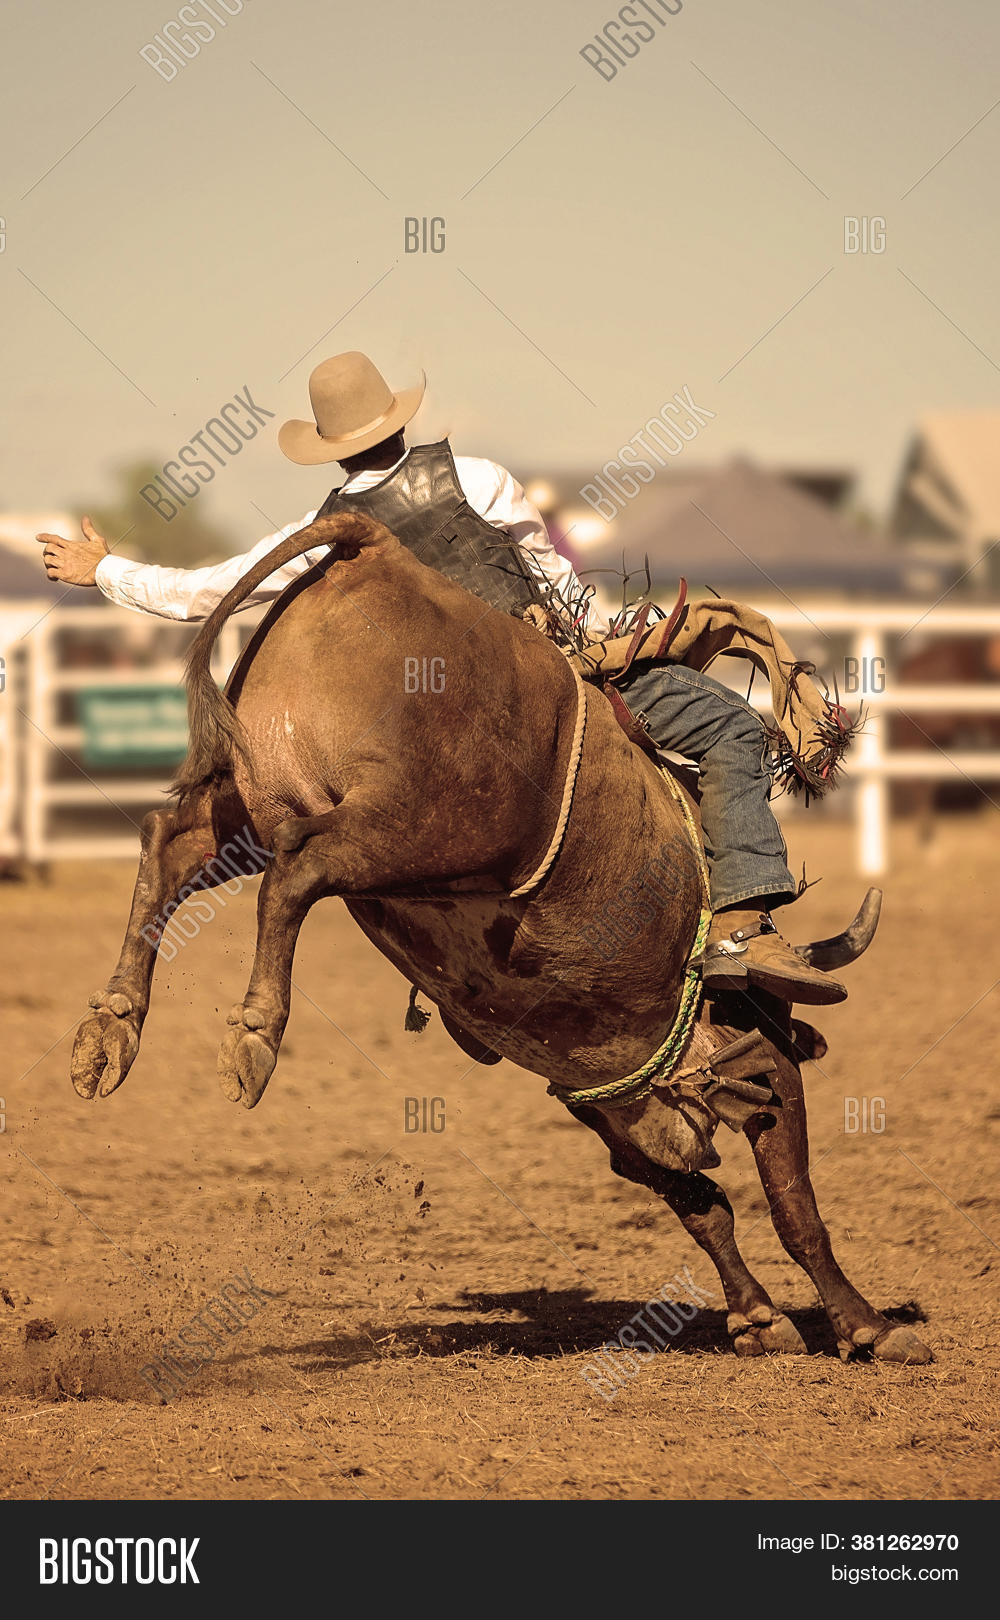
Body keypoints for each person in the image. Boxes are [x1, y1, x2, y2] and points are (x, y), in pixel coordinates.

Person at [38, 351, 844, 1006]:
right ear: (398, 420)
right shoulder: (480, 480)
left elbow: (207, 591)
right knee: (733, 726)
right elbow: (558, 590)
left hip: (416, 721)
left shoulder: (322, 536)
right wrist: (619, 640)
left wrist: (104, 568)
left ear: (330, 446)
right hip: (542, 672)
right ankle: (740, 920)